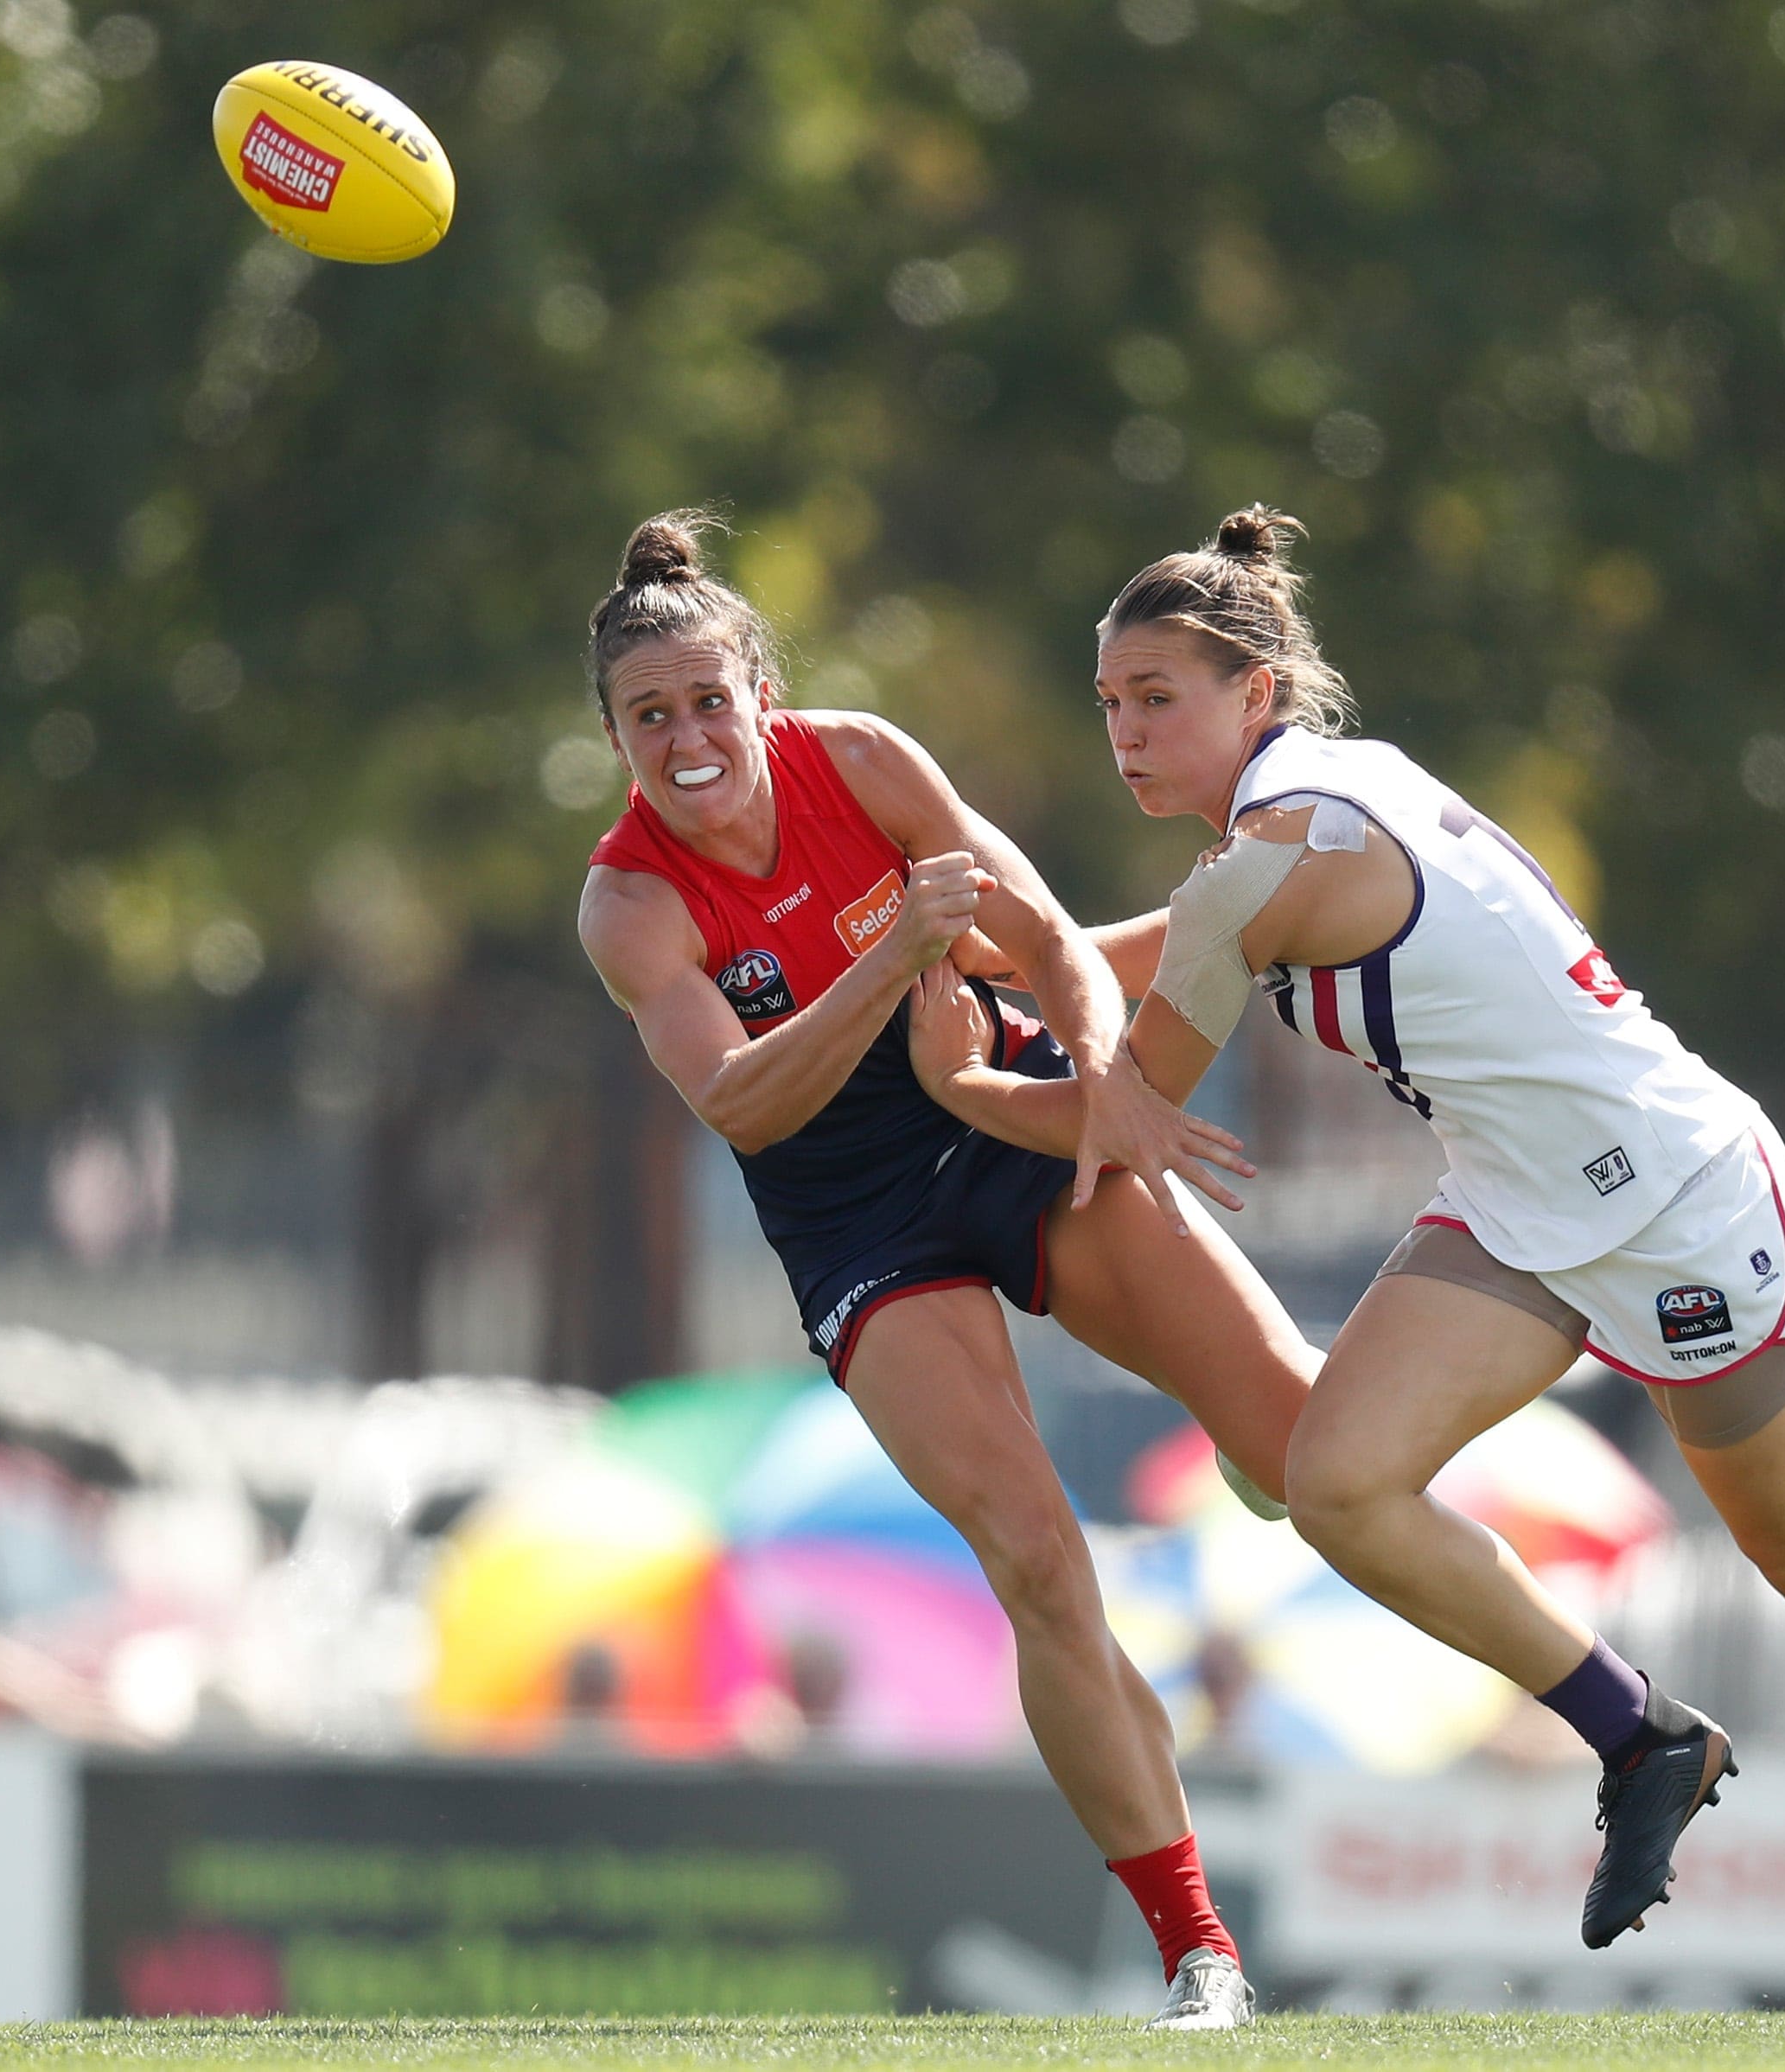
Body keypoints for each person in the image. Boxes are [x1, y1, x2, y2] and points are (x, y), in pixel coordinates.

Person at [919, 507, 1785, 2019]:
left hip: (1677, 1203)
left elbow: (1123, 1119)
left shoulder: (1269, 859)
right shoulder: (1312, 804)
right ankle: (1641, 1736)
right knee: (1338, 1483)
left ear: (1255, 691)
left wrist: (955, 1079)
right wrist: (1026, 952)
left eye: (1158, 697)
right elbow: (1184, 939)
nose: (1126, 733)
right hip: (1519, 1210)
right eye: (1110, 703)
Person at [571, 510, 1320, 2029]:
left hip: (1007, 1121)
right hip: (860, 1231)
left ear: (762, 696)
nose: (689, 738)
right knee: (1039, 1560)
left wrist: (1102, 1081)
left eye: (710, 700)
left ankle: (1614, 1722)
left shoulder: (861, 761)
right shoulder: (628, 903)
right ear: (615, 740)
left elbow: (1039, 933)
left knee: (1306, 1443)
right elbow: (743, 1103)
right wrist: (892, 957)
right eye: (651, 717)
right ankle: (1200, 1953)